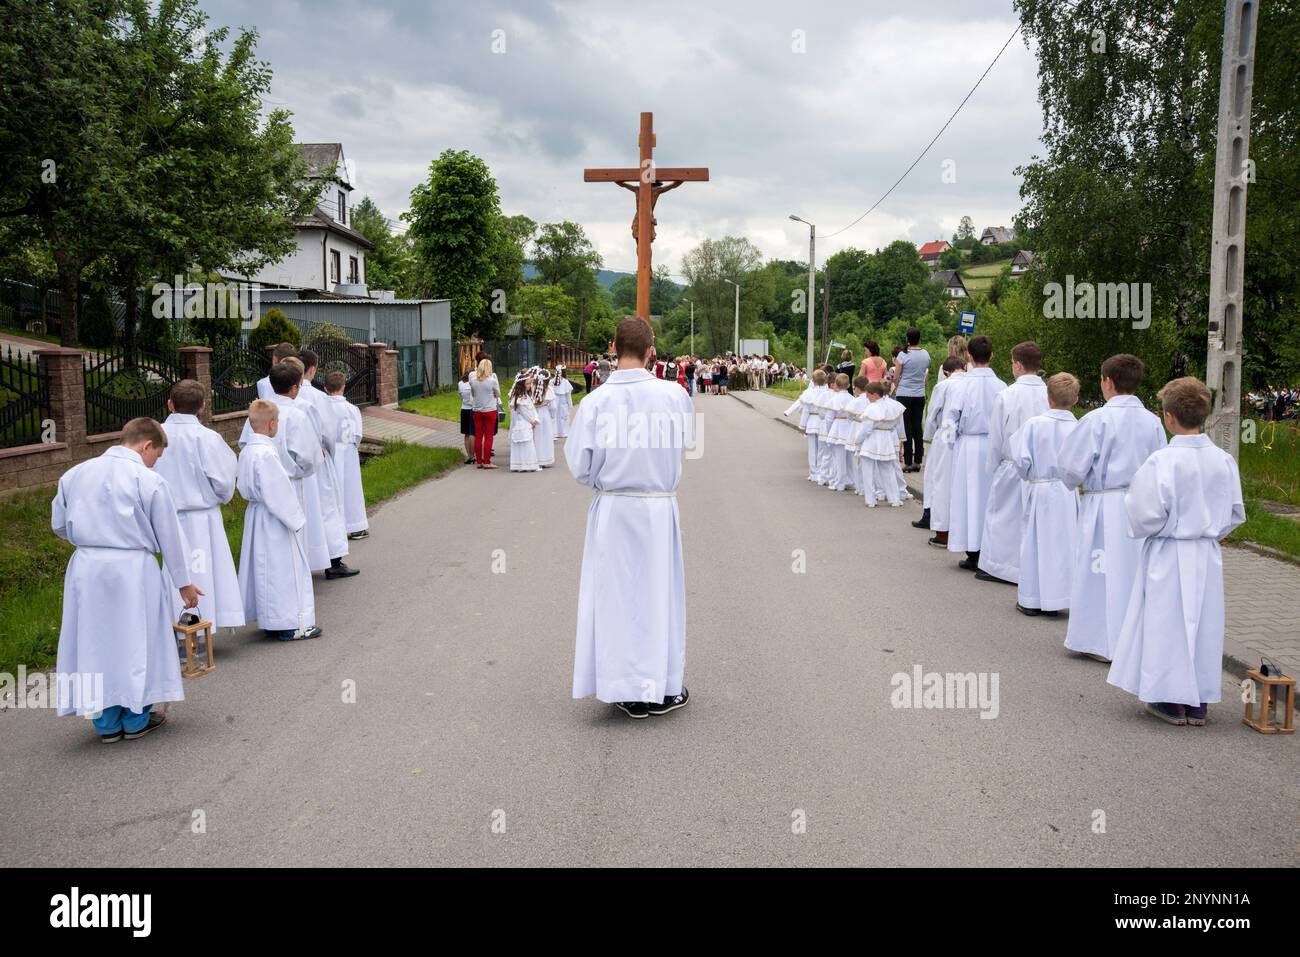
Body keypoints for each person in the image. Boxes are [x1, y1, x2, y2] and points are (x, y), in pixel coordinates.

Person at [566, 317, 695, 719]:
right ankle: (660, 685)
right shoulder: (674, 396)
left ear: (612, 347)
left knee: (617, 596)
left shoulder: (594, 402)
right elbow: (685, 443)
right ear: (651, 351)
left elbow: (579, 467)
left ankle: (623, 685)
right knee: (658, 595)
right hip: (658, 507)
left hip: (615, 509)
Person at [52, 417, 201, 742]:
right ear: (147, 445)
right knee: (137, 639)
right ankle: (136, 716)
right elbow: (169, 535)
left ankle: (105, 722)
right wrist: (184, 582)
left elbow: (59, 524)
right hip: (133, 568)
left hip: (87, 567)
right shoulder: (146, 480)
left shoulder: (74, 474)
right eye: (156, 456)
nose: (155, 463)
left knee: (94, 641)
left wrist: (94, 537)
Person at [1107, 377, 1245, 726]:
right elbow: (1234, 512)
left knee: (1165, 622)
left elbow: (1143, 513)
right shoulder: (1223, 460)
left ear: (1168, 416)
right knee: (1204, 624)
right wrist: (1208, 532)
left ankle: (1170, 698)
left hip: (1169, 551)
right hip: (1206, 552)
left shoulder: (1161, 462)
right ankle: (1198, 700)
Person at [1057, 354, 1167, 663]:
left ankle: (1098, 639)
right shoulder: (1153, 421)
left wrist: (1072, 481)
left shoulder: (1096, 419)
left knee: (1098, 572)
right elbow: (1160, 465)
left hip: (1103, 503)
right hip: (1140, 503)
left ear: (1107, 381)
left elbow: (1071, 466)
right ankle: (1131, 640)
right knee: (1130, 573)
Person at [153, 379, 244, 634]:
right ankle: (195, 630)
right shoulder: (208, 438)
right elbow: (224, 480)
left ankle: (179, 627)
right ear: (203, 407)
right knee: (203, 572)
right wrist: (219, 498)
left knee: (176, 573)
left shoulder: (155, 435)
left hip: (166, 516)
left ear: (170, 404)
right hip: (202, 517)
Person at [237, 400, 320, 641]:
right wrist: (296, 518)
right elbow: (278, 493)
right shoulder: (266, 453)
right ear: (273, 424)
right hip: (274, 518)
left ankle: (270, 619)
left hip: (256, 515)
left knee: (265, 568)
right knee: (284, 569)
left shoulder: (248, 451)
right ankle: (289, 623)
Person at [238, 361, 327, 572]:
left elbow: (245, 445)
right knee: (292, 542)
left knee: (264, 550)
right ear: (295, 388)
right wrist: (298, 471)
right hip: (291, 486)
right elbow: (310, 458)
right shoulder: (299, 413)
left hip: (260, 491)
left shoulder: (259, 410)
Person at [976, 342, 1049, 585]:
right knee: (1031, 521)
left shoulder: (1007, 395)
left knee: (1003, 518)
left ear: (1017, 365)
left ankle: (999, 567)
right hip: (1042, 469)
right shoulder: (1049, 394)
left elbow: (996, 436)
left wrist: (993, 465)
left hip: (1011, 464)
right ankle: (1029, 568)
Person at [1011, 372, 1081, 617]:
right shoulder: (1079, 427)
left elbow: (1020, 460)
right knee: (1063, 544)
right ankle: (1059, 596)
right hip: (1067, 490)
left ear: (1047, 397)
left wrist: (1030, 476)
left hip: (1040, 487)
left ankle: (1032, 598)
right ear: (1076, 399)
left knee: (1034, 542)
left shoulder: (1034, 424)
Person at [941, 335, 1006, 571]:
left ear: (969, 356)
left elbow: (951, 418)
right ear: (991, 356)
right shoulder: (1002, 386)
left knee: (968, 498)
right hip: (993, 445)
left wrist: (950, 443)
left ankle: (973, 550)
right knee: (990, 498)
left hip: (968, 445)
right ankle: (989, 549)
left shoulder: (963, 384)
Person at [296, 349, 357, 579]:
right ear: (312, 369)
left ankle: (305, 559)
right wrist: (328, 452)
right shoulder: (317, 397)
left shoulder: (277, 396)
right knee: (327, 509)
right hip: (317, 462)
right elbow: (329, 432)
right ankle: (334, 561)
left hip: (292, 465)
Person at [915, 356, 965, 538]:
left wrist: (928, 436)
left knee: (938, 479)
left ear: (945, 372)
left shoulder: (943, 386)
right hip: (965, 438)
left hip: (945, 435)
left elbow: (933, 412)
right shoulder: (971, 384)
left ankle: (936, 521)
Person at [324, 371, 368, 541]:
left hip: (331, 451)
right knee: (352, 489)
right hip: (349, 451)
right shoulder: (353, 409)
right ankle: (356, 526)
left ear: (326, 388)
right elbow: (358, 434)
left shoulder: (323, 408)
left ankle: (335, 528)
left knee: (333, 489)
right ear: (344, 387)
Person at [856, 381, 906, 506]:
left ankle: (871, 500)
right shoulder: (893, 406)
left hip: (872, 440)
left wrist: (857, 441)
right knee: (888, 470)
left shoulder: (872, 408)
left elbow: (866, 429)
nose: (866, 397)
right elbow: (899, 425)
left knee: (868, 471)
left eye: (868, 394)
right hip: (887, 439)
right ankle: (894, 499)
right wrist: (901, 437)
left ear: (874, 395)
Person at [893, 328, 931, 473]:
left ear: (908, 338)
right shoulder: (925, 354)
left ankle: (908, 462)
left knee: (906, 428)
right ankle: (918, 460)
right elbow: (925, 371)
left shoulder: (903, 355)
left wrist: (894, 388)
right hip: (919, 394)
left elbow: (896, 376)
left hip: (904, 394)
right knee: (917, 428)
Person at [784, 368, 828, 483]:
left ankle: (814, 473)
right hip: (824, 423)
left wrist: (802, 426)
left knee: (812, 450)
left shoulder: (809, 393)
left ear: (813, 380)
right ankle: (822, 474)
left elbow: (806, 411)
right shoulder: (829, 393)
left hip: (812, 422)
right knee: (823, 450)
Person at [470, 358, 501, 468]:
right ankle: (487, 462)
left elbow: (473, 394)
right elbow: (498, 394)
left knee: (478, 436)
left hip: (477, 410)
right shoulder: (492, 380)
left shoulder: (473, 381)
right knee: (488, 436)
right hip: (490, 410)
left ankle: (479, 461)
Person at [508, 371, 541, 472]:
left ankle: (525, 465)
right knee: (524, 445)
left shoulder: (526, 396)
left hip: (527, 423)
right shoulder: (519, 398)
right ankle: (522, 465)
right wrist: (532, 421)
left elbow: (532, 409)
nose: (529, 385)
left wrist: (535, 418)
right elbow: (524, 412)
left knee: (527, 444)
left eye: (530, 383)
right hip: (523, 423)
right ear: (521, 385)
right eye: (527, 383)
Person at [532, 367, 556, 467]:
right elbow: (553, 407)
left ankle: (535, 458)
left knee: (536, 437)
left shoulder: (532, 388)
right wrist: (552, 416)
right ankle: (545, 459)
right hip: (545, 414)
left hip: (534, 414)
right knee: (546, 436)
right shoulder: (549, 390)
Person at [458, 368, 475, 464]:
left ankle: (469, 456)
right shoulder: (474, 383)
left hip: (464, 409)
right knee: (474, 433)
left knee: (467, 434)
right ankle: (475, 454)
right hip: (473, 409)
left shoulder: (460, 384)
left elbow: (460, 396)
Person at [553, 366, 573, 439]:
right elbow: (568, 395)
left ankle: (555, 432)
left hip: (554, 400)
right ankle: (564, 432)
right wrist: (570, 404)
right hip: (563, 400)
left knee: (555, 417)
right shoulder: (565, 381)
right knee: (563, 417)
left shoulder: (552, 381)